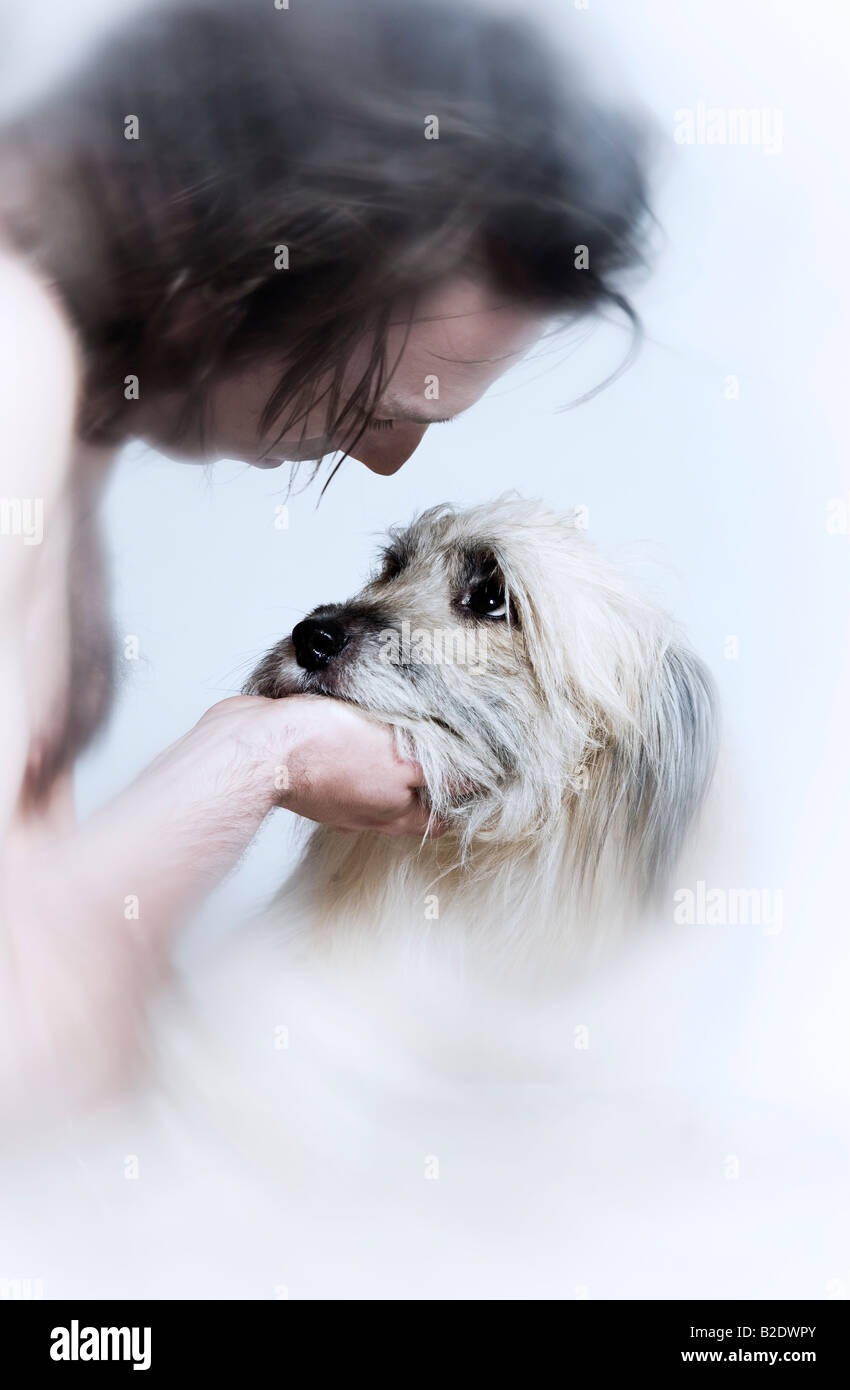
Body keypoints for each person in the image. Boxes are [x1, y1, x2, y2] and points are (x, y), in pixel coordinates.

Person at [0, 0, 646, 1113]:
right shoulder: (14, 358)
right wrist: (260, 758)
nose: (388, 458)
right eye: (379, 397)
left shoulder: (71, 412)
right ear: (256, 252)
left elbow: (40, 927)